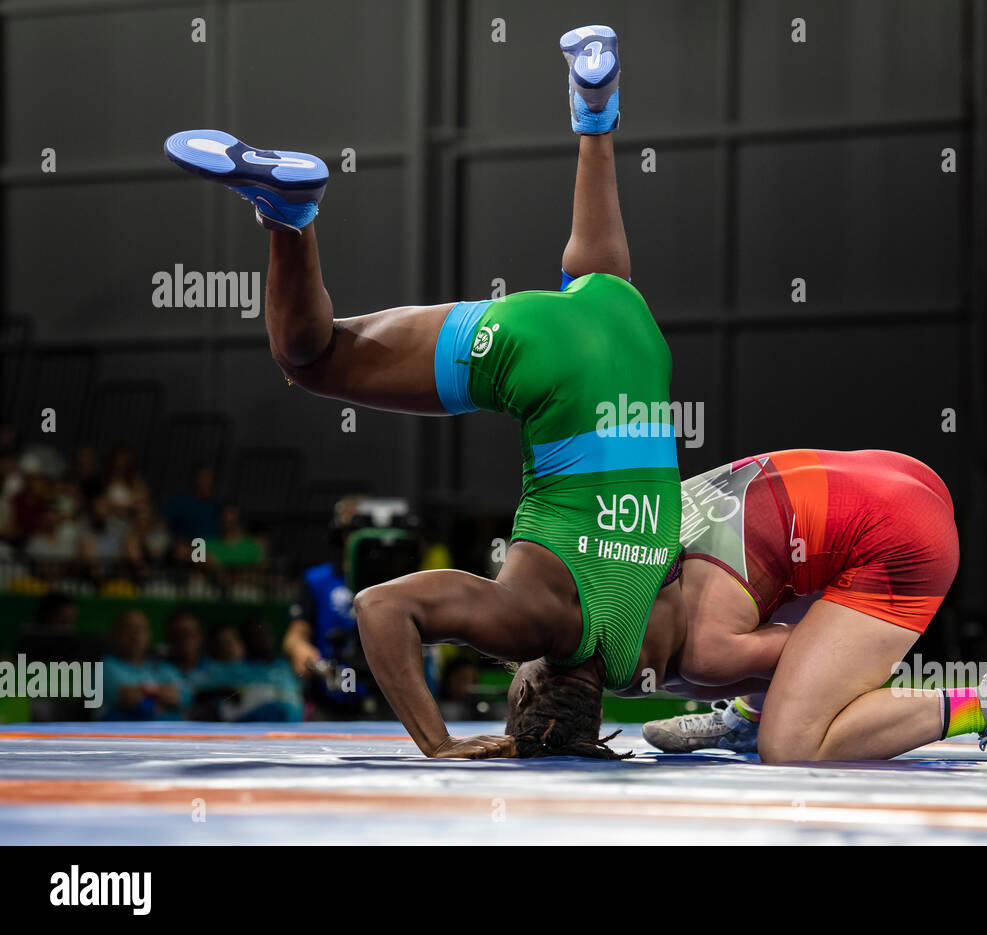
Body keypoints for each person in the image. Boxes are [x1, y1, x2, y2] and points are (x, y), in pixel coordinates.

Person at [166, 24, 679, 758]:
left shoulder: (646, 648)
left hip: (634, 341)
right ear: (529, 689)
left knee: (599, 281)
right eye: (513, 694)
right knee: (312, 357)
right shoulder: (533, 624)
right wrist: (438, 744)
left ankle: (595, 108)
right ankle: (290, 214)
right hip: (544, 356)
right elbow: (381, 609)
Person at [510, 449, 987, 765]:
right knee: (730, 649)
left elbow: (817, 661)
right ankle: (749, 714)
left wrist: (797, 699)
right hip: (879, 477)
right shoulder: (614, 556)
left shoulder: (704, 651)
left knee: (793, 744)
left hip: (898, 537)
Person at [98, 609, 189, 721]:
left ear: (149, 634)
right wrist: (163, 694)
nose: (135, 635)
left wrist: (144, 691)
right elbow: (128, 697)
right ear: (114, 634)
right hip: (126, 734)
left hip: (175, 733)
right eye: (128, 629)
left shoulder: (163, 667)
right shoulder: (105, 667)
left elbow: (184, 696)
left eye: (141, 629)